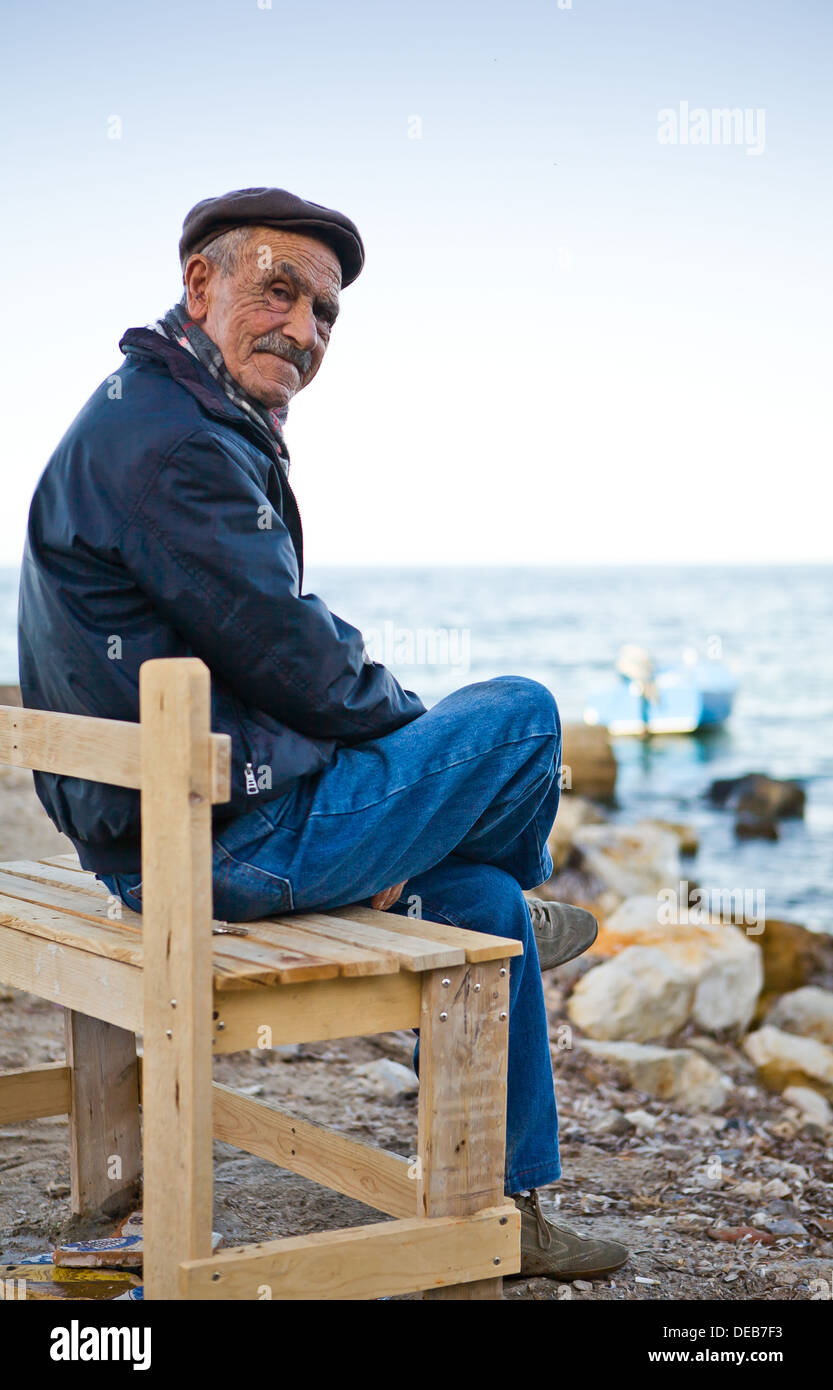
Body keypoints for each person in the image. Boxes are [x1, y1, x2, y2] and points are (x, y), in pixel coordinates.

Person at [17, 187, 627, 1281]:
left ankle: (510, 1207)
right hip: (217, 849)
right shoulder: (171, 446)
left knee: (480, 912)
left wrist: (390, 770)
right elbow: (300, 658)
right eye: (278, 289)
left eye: (325, 312)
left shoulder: (158, 412)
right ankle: (517, 868)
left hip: (173, 831)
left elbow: (264, 643)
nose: (303, 328)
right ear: (200, 284)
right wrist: (425, 741)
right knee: (521, 717)